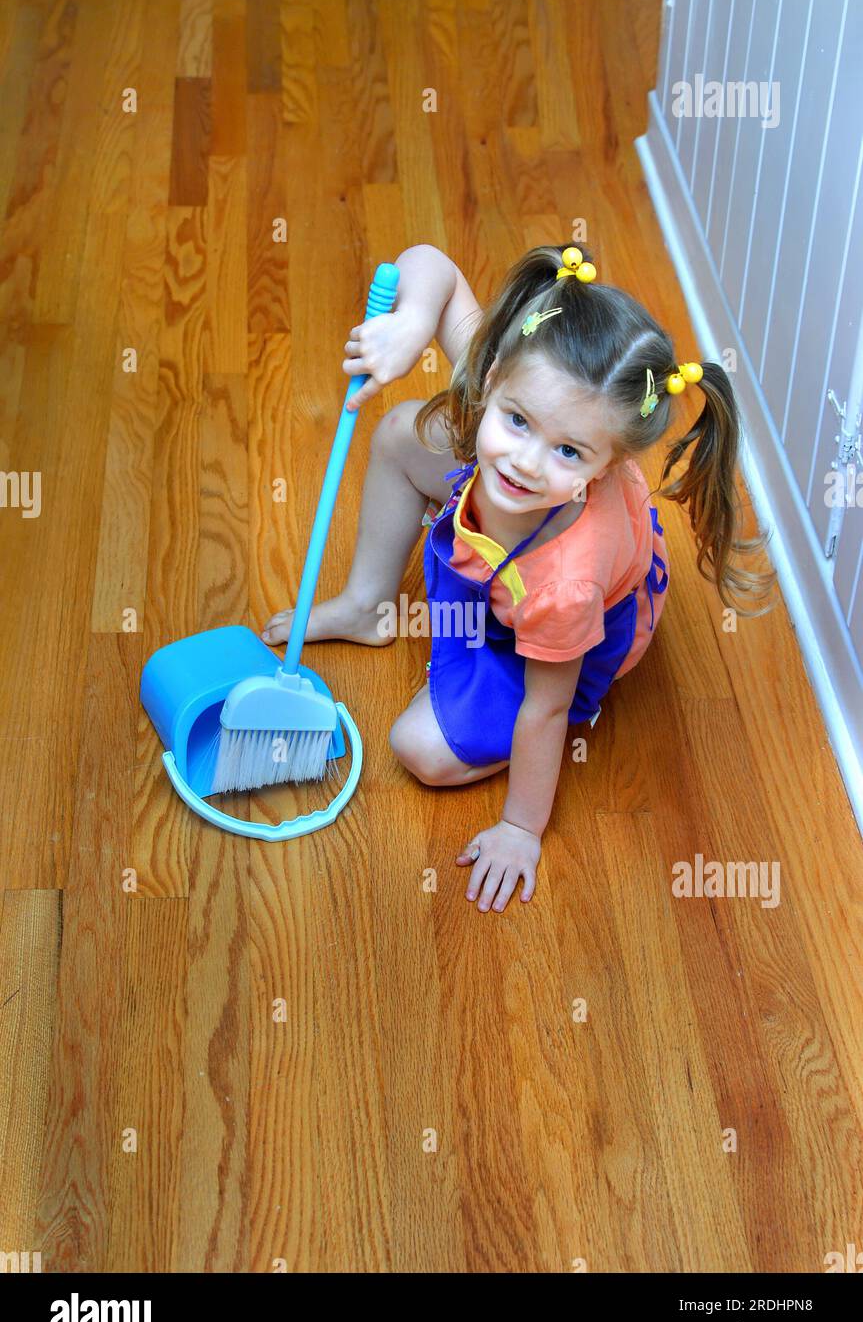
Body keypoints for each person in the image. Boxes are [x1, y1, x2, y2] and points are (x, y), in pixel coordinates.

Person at [261, 244, 777, 914]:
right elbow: (432, 265)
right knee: (398, 432)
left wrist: (519, 828)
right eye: (516, 422)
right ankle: (366, 607)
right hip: (523, 555)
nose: (527, 463)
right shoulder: (520, 375)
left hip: (572, 617)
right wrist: (410, 326)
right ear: (496, 372)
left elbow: (546, 708)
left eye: (568, 451)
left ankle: (487, 707)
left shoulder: (567, 587)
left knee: (419, 749)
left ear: (605, 465)